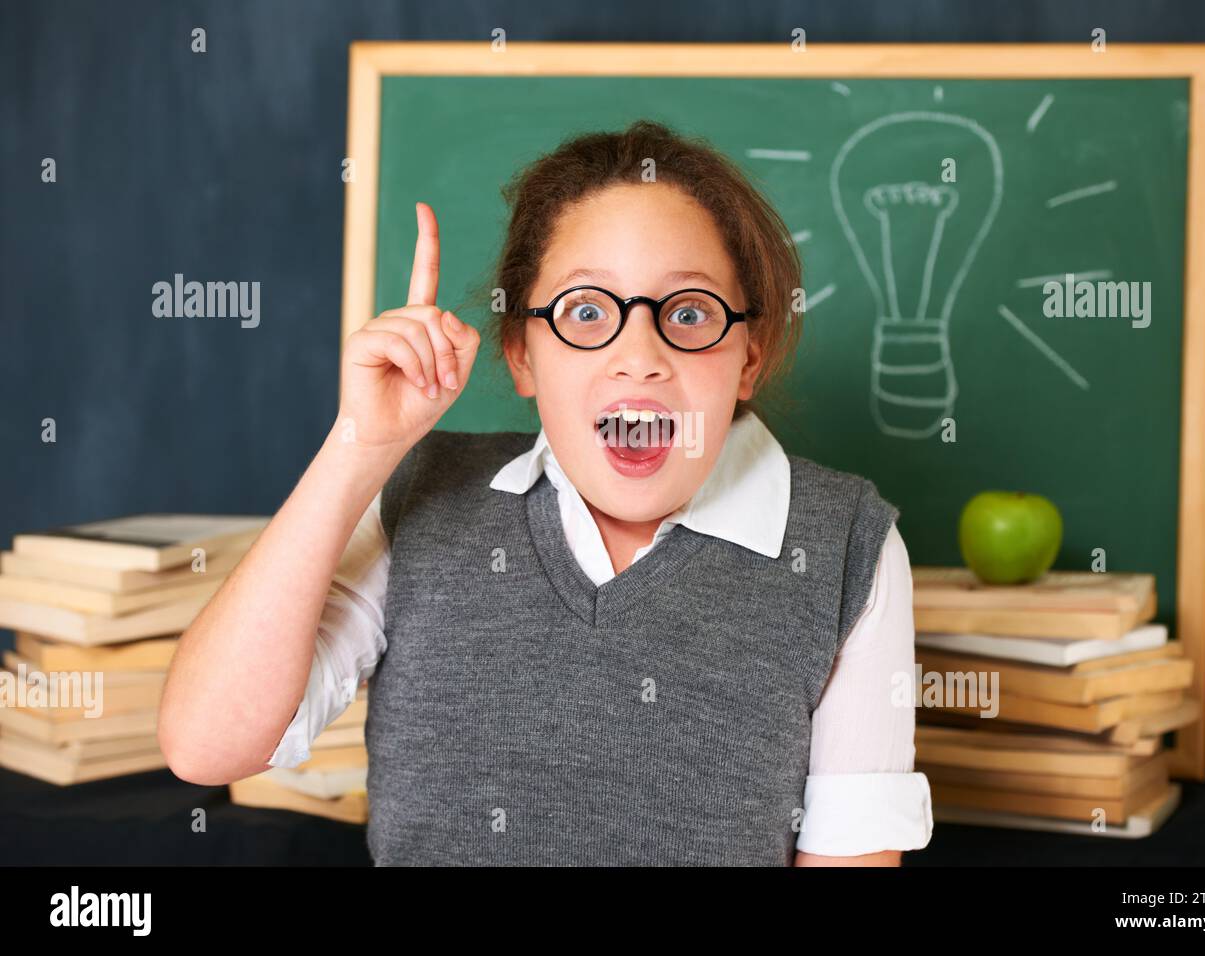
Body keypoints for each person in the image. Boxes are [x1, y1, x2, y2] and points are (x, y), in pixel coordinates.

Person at [159, 119, 933, 866]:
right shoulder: (420, 495)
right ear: (522, 355)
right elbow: (207, 745)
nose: (640, 356)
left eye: (689, 313)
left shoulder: (846, 546)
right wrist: (361, 446)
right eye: (587, 310)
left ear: (748, 357)